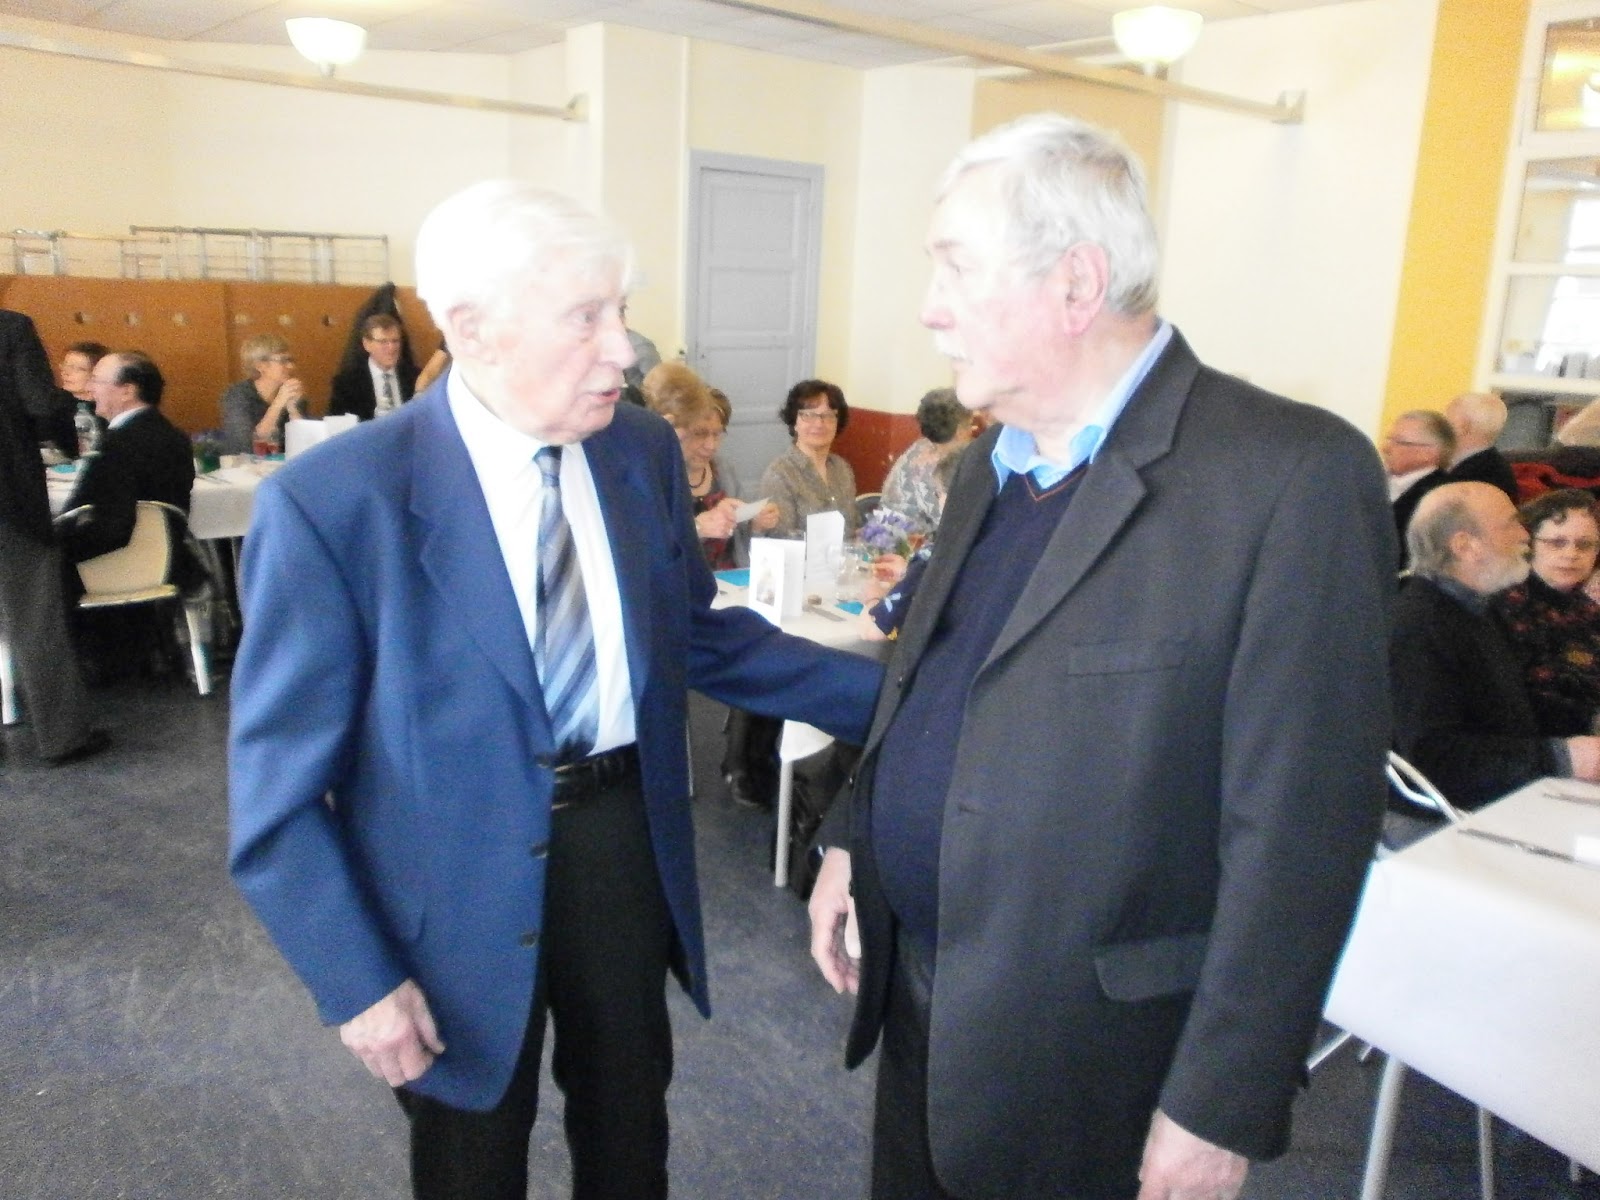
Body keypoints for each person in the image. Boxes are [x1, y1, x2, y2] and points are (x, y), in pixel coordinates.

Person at [226, 181, 881, 1200]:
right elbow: (274, 800)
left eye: (620, 312)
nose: (626, 349)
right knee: (471, 1150)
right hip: (445, 875)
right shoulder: (337, 501)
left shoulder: (637, 451)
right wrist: (356, 980)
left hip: (620, 840)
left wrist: (901, 707)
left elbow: (695, 634)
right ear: (474, 328)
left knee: (630, 1121)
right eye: (589, 318)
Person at [806, 113, 1394, 1200]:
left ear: (1076, 285)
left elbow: (1303, 829)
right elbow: (930, 683)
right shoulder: (990, 464)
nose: (929, 309)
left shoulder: (1284, 477)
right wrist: (853, 837)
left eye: (955, 270)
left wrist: (1218, 1100)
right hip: (925, 1005)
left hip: (1099, 1059)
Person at [1393, 481, 1600, 811]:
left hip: (1495, 804)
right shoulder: (1420, 626)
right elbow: (1432, 759)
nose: (1524, 535)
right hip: (1436, 825)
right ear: (1466, 545)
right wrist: (1560, 757)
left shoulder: (1475, 610)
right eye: (1511, 523)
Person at [0, 309, 107, 764]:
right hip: (8, 495)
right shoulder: (12, 328)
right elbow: (40, 404)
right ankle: (62, 736)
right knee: (34, 617)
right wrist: (72, 419)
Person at [62, 351, 194, 564]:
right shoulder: (175, 436)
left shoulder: (116, 446)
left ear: (127, 391)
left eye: (96, 380)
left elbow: (113, 528)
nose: (89, 388)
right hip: (167, 560)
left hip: (116, 565)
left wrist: (51, 553)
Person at [642, 364, 777, 568]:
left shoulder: (723, 471)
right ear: (674, 431)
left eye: (717, 434)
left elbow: (741, 550)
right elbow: (647, 548)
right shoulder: (655, 476)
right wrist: (697, 528)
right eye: (700, 433)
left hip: (731, 583)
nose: (711, 445)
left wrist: (756, 526)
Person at [1492, 489, 1600, 736]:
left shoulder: (1589, 611)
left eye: (1584, 545)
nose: (1571, 554)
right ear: (1530, 544)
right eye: (1556, 543)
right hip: (1536, 747)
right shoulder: (1506, 608)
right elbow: (1525, 701)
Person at [758, 379, 860, 538]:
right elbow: (781, 538)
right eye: (808, 415)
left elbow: (852, 528)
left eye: (828, 415)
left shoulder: (842, 468)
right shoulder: (780, 474)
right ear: (794, 422)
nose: (819, 424)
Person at [878, 387, 972, 539]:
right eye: (969, 424)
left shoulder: (916, 449)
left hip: (886, 537)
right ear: (960, 430)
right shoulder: (962, 463)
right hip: (913, 546)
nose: (972, 430)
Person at [1381, 408, 1454, 568]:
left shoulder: (1441, 496)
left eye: (1398, 442)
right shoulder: (1373, 480)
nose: (1385, 448)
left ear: (1429, 453)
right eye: (1388, 439)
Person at [219, 334, 306, 455]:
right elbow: (247, 445)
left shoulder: (292, 393)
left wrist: (293, 410)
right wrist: (278, 403)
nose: (291, 366)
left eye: (290, 360)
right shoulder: (237, 395)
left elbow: (304, 444)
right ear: (260, 366)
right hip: (244, 466)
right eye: (283, 361)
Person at [328, 313, 419, 421]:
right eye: (383, 342)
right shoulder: (347, 383)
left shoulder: (416, 378)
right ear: (367, 344)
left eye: (395, 341)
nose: (391, 348)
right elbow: (338, 426)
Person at [1444, 391, 1517, 503]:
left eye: (1447, 419)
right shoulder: (1492, 467)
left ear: (1462, 426)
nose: (1440, 426)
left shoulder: (1478, 477)